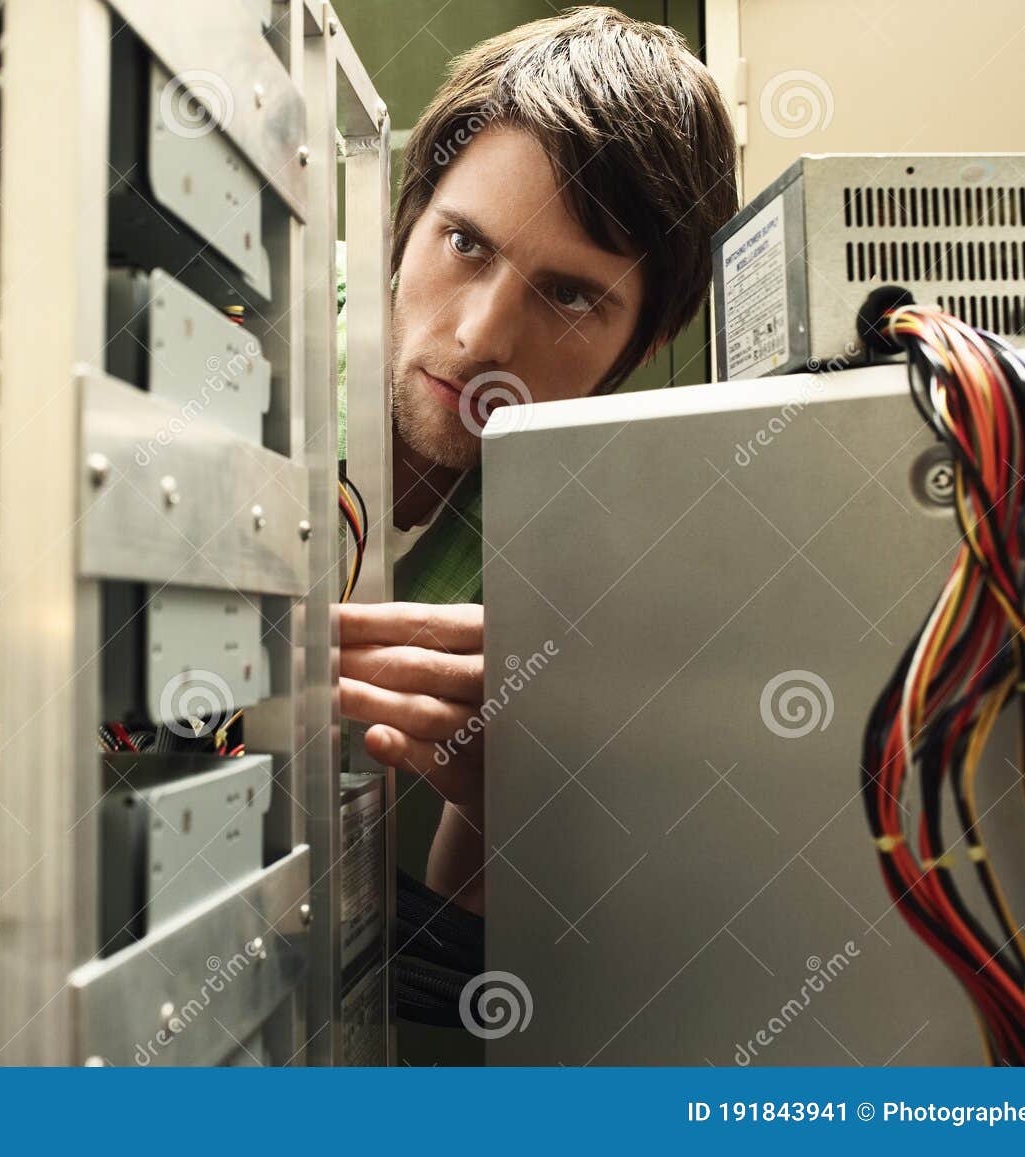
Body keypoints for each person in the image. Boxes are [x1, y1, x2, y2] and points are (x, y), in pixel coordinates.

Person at [335, 7, 737, 982]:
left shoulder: (571, 543)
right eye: (464, 243)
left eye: (568, 295)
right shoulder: (244, 339)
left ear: (633, 348)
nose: (480, 337)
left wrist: (508, 791)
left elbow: (465, 922)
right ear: (402, 226)